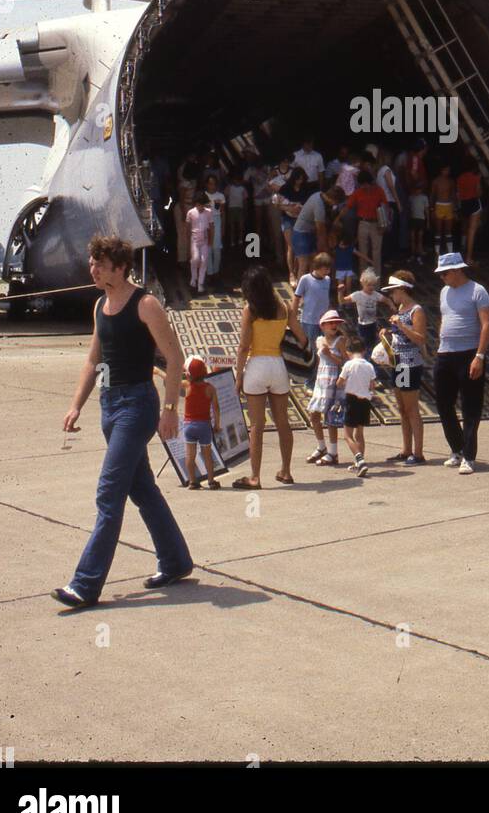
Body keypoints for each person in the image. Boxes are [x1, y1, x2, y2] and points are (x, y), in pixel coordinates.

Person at [52, 235, 192, 608]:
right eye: (92, 262)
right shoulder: (100, 305)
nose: (92, 269)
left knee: (109, 491)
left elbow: (175, 358)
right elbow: (93, 359)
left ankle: (85, 584)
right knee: (141, 489)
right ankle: (176, 561)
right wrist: (75, 405)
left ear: (120, 267)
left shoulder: (145, 305)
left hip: (137, 405)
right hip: (109, 405)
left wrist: (169, 410)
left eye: (99, 263)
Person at [232, 265, 307, 489]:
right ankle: (286, 471)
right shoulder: (284, 307)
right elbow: (301, 338)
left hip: (256, 366)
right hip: (278, 367)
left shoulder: (250, 309)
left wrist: (238, 378)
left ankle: (255, 477)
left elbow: (244, 346)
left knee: (256, 426)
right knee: (283, 422)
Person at [433, 252, 489, 475]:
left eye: (445, 273)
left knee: (470, 406)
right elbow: (444, 319)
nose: (442, 277)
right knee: (443, 405)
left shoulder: (478, 291)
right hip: (445, 353)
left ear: (458, 270)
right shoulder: (443, 292)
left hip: (469, 353)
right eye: (440, 274)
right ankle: (457, 448)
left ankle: (469, 455)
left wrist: (480, 356)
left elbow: (486, 324)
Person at [381, 271, 428, 464]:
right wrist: (387, 334)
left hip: (410, 363)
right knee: (402, 408)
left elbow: (420, 338)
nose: (392, 295)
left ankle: (418, 453)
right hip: (398, 362)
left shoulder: (416, 310)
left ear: (402, 289)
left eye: (393, 291)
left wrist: (400, 326)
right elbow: (400, 337)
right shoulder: (400, 309)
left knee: (411, 408)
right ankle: (406, 449)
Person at [305, 310, 347, 466]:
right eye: (330, 322)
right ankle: (321, 446)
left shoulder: (340, 341)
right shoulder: (319, 339)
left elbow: (344, 363)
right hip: (321, 381)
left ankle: (333, 452)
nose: (334, 325)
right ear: (322, 326)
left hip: (333, 381)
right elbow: (319, 354)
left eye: (336, 322)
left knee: (330, 418)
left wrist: (329, 354)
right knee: (313, 415)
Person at [181, 353, 222, 490]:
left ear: (188, 374)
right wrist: (217, 424)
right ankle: (211, 481)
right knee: (207, 454)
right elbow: (216, 408)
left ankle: (193, 481)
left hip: (189, 425)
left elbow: (172, 380)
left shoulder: (187, 386)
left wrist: (159, 372)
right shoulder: (210, 388)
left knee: (190, 455)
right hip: (204, 425)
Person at [339, 336, 376, 477]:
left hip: (351, 400)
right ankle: (359, 463)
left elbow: (339, 382)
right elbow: (372, 386)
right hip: (365, 401)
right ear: (364, 350)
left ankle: (360, 461)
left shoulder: (348, 365)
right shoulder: (369, 365)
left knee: (347, 435)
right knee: (359, 433)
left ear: (348, 351)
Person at [292, 183, 346, 279]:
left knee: (313, 264)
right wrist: (325, 249)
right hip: (301, 234)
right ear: (332, 199)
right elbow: (321, 230)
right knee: (303, 265)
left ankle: (311, 289)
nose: (335, 205)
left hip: (310, 233)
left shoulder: (319, 194)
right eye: (336, 203)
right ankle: (300, 293)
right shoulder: (319, 205)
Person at [344, 169, 387, 275]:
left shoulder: (379, 191)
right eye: (363, 185)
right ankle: (364, 281)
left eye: (367, 184)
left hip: (377, 224)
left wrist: (383, 225)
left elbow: (385, 208)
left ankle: (376, 283)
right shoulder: (358, 192)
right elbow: (348, 207)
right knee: (362, 253)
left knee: (376, 253)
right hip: (362, 223)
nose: (365, 187)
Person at [341, 268, 393, 353]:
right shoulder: (358, 295)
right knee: (363, 344)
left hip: (373, 323)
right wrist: (340, 293)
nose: (371, 287)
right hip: (362, 325)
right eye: (369, 285)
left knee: (373, 343)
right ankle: (365, 357)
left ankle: (372, 357)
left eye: (373, 285)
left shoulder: (375, 295)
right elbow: (342, 301)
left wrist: (391, 305)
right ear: (362, 283)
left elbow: (386, 299)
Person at [271, 164, 308, 284]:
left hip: (300, 219)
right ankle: (291, 273)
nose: (299, 181)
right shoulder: (285, 188)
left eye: (302, 179)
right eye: (298, 179)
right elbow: (276, 204)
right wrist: (289, 208)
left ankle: (297, 271)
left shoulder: (305, 189)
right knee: (291, 246)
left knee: (298, 246)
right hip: (287, 218)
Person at [293, 252, 333, 354]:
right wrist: (293, 316)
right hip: (309, 320)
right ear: (317, 267)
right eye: (325, 269)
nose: (328, 272)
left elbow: (326, 298)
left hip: (324, 321)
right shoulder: (305, 279)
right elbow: (296, 297)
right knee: (310, 346)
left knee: (324, 346)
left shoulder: (327, 280)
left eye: (329, 269)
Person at [456, 157, 482, 265]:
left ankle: (462, 248)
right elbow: (479, 192)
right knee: (471, 231)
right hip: (474, 203)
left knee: (464, 228)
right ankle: (468, 257)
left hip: (463, 203)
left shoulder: (460, 177)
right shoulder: (476, 177)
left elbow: (457, 193)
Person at [186, 191, 213, 293]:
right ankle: (194, 278)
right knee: (195, 259)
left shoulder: (208, 212)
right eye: (198, 204)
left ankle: (200, 283)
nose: (200, 207)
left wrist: (211, 241)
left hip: (205, 241)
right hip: (194, 240)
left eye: (202, 204)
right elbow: (188, 229)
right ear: (195, 204)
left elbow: (211, 227)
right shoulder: (191, 213)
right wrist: (188, 243)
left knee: (204, 260)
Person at [430, 163, 457, 258]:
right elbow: (433, 195)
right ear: (441, 170)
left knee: (448, 230)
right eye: (446, 170)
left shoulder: (451, 181)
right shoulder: (436, 181)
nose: (447, 172)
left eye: (448, 170)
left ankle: (450, 252)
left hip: (448, 206)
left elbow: (453, 195)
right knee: (438, 230)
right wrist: (432, 209)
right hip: (439, 206)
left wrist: (454, 209)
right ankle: (437, 252)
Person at [204, 174, 226, 280]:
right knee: (207, 248)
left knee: (216, 248)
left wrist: (223, 227)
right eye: (210, 184)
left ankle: (216, 271)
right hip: (206, 221)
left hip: (217, 220)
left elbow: (223, 212)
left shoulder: (220, 196)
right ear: (206, 184)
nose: (212, 186)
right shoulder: (203, 196)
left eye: (214, 184)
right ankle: (209, 272)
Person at [226, 174, 248, 252]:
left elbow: (245, 200)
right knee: (232, 226)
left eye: (238, 180)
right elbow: (226, 197)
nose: (236, 181)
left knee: (240, 226)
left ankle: (240, 239)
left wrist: (245, 210)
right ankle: (232, 241)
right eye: (235, 179)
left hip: (240, 209)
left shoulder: (243, 189)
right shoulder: (229, 187)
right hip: (231, 208)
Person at [408, 185, 429, 263]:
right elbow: (409, 209)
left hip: (421, 219)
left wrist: (428, 221)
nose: (417, 191)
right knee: (412, 238)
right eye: (416, 189)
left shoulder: (424, 197)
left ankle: (419, 256)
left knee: (420, 238)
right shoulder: (410, 197)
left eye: (419, 189)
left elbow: (426, 210)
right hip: (413, 219)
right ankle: (413, 254)